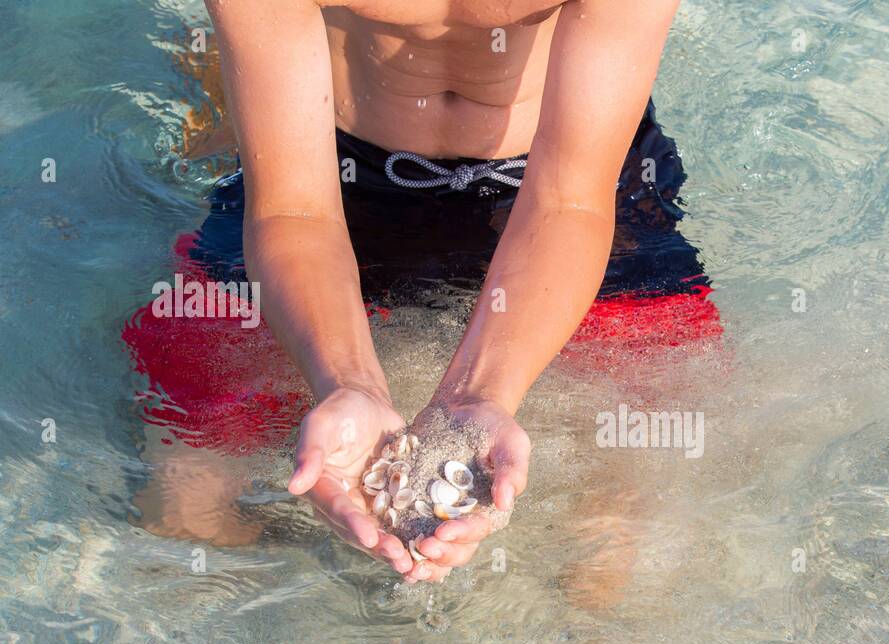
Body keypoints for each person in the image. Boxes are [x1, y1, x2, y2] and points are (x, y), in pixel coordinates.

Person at [124, 0, 721, 587]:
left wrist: (480, 394)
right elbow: (292, 209)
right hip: (334, 167)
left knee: (616, 559)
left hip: (563, 180)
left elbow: (569, 200)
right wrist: (348, 383)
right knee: (183, 515)